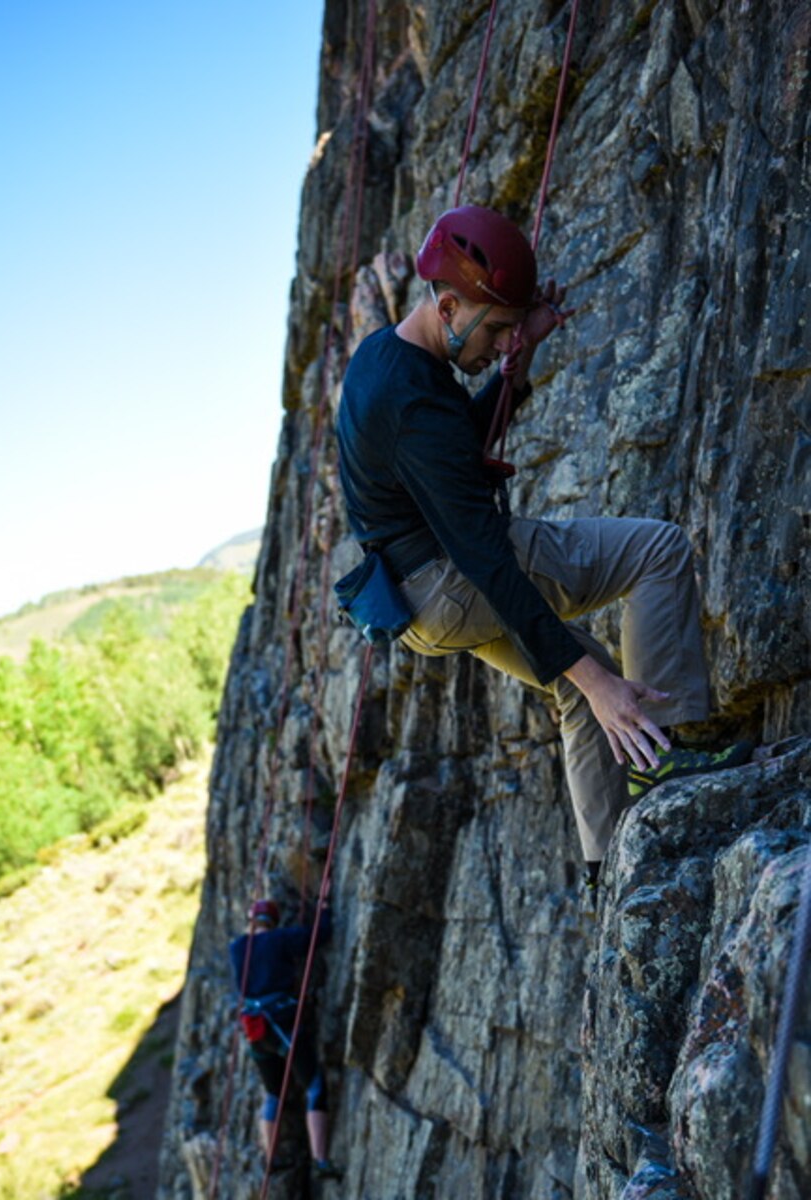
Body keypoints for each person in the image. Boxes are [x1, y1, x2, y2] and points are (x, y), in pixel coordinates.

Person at [336, 204, 751, 892]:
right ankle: (666, 752)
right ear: (446, 305)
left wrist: (520, 360)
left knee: (570, 678)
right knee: (657, 551)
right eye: (494, 328)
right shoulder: (411, 399)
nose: (498, 344)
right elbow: (483, 556)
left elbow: (453, 446)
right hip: (452, 578)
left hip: (414, 604)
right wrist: (606, 687)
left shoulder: (386, 358)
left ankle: (609, 861)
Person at [229, 897, 341, 1180]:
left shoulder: (237, 947)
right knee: (314, 1085)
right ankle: (321, 1160)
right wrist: (324, 909)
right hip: (280, 1024)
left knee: (274, 1092)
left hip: (255, 1030)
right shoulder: (280, 940)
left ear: (251, 921)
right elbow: (319, 935)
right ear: (274, 922)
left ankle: (271, 1159)